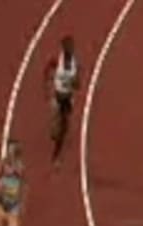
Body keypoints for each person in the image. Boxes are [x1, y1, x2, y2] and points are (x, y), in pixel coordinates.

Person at [43, 36, 79, 168]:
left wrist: (74, 83)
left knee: (65, 126)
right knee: (59, 128)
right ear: (64, 49)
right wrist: (48, 86)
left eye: (71, 48)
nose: (70, 50)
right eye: (68, 48)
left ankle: (57, 138)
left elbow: (78, 84)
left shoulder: (74, 63)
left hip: (67, 97)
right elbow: (47, 70)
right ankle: (56, 156)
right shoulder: (57, 60)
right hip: (57, 96)